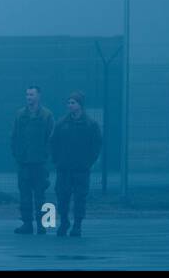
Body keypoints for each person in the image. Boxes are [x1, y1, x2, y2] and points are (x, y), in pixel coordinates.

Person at [50, 90, 102, 237]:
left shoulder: (90, 125)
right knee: (62, 197)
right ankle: (64, 221)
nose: (70, 105)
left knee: (80, 198)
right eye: (69, 103)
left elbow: (96, 145)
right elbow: (53, 142)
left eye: (73, 103)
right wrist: (57, 160)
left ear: (80, 105)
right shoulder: (61, 124)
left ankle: (77, 225)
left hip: (81, 169)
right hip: (64, 168)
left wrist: (88, 162)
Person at [10, 85, 54, 235]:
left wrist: (45, 156)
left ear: (38, 96)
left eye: (32, 94)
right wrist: (17, 154)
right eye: (27, 94)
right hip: (23, 162)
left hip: (40, 163)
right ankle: (27, 224)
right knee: (24, 195)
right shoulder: (20, 114)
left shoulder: (46, 115)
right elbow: (14, 136)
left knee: (40, 195)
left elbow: (51, 138)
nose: (29, 97)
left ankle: (42, 225)